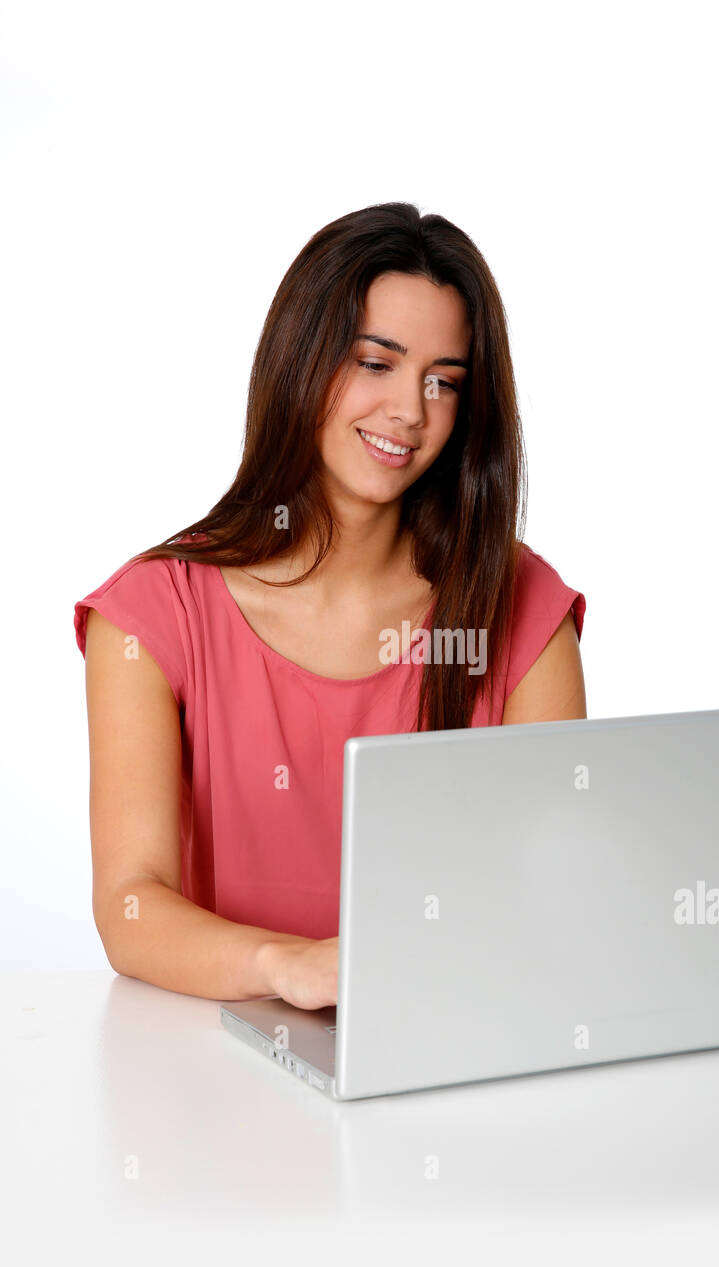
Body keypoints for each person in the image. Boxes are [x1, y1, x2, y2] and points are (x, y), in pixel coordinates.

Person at [73, 202, 586, 1011]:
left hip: (461, 1041)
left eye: (443, 381)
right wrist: (290, 967)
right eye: (375, 363)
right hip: (218, 1072)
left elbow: (556, 893)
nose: (411, 411)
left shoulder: (521, 608)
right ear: (301, 361)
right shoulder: (153, 613)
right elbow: (131, 906)